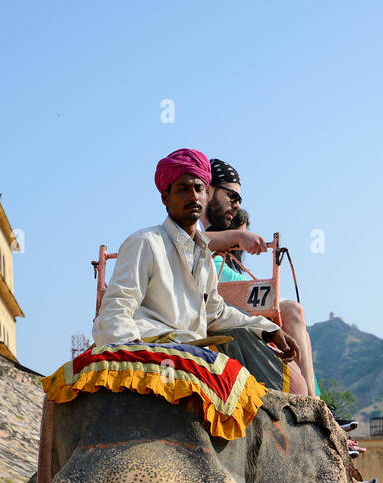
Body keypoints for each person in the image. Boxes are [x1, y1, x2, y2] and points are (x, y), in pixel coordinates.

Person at [91, 148, 300, 368]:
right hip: (150, 347)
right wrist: (132, 349)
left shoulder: (203, 256)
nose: (192, 195)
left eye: (198, 188)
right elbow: (117, 306)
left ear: (205, 195)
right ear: (165, 197)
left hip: (189, 350)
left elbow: (216, 313)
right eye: (183, 189)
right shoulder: (146, 242)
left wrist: (268, 329)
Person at [201, 157, 316, 396]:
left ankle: (316, 404)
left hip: (222, 311)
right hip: (202, 316)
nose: (236, 205)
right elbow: (188, 241)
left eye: (239, 200)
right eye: (232, 196)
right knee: (292, 311)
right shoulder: (193, 243)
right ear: (209, 191)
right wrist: (237, 237)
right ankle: (314, 405)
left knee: (294, 321)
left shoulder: (213, 250)